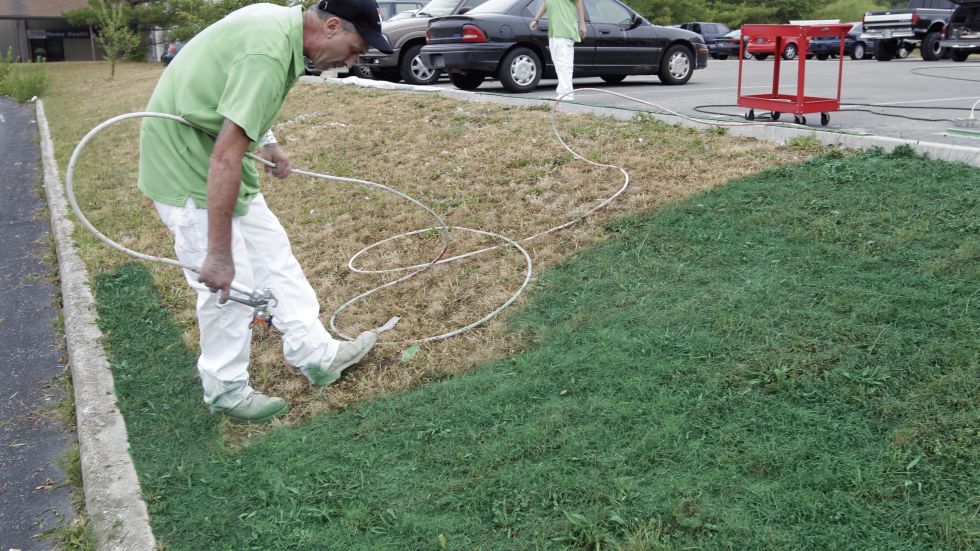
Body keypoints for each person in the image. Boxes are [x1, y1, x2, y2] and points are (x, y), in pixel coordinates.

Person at [137, 0, 394, 423]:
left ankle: (317, 355)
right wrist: (218, 254)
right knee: (232, 285)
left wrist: (269, 140)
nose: (353, 60)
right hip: (190, 167)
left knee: (275, 257)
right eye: (355, 48)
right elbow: (224, 159)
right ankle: (226, 387)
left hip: (215, 152)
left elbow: (237, 92)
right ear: (331, 26)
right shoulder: (269, 52)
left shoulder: (283, 29)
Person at [529, 0, 587, 101]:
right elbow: (546, 3)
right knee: (559, 66)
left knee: (564, 65)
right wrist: (536, 19)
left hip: (565, 30)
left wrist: (582, 23)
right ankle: (562, 94)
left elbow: (578, 1)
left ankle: (567, 96)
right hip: (553, 32)